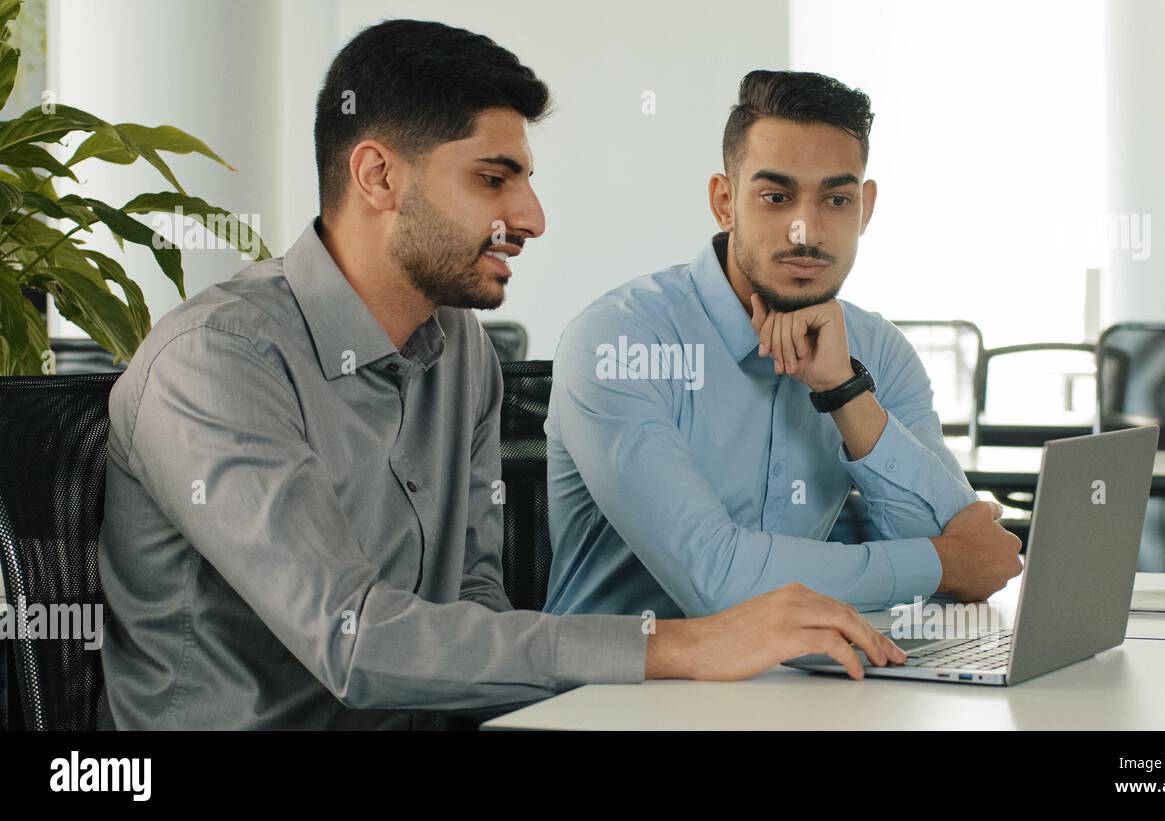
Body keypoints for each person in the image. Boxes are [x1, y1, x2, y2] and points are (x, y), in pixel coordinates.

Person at [96, 22, 905, 731]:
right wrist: (683, 644)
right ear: (378, 176)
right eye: (494, 179)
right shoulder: (216, 360)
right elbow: (358, 640)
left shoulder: (460, 349)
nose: (532, 216)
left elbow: (472, 611)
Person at [544, 70, 1023, 620]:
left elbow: (968, 551)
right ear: (724, 202)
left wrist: (846, 394)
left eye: (836, 200)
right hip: (617, 694)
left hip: (803, 683)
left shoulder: (878, 350)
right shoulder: (620, 341)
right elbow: (717, 579)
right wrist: (942, 566)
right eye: (776, 196)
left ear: (865, 208)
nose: (807, 231)